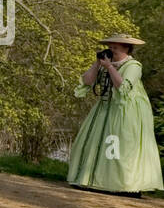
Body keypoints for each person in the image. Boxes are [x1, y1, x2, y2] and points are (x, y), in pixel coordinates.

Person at [68, 33, 164, 195]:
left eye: (115, 48)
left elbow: (123, 87)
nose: (111, 51)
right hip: (105, 108)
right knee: (96, 143)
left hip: (127, 111)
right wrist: (97, 64)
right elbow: (87, 81)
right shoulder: (106, 64)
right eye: (110, 48)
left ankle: (126, 186)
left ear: (126, 48)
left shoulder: (134, 66)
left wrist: (110, 67)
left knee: (122, 147)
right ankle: (90, 179)